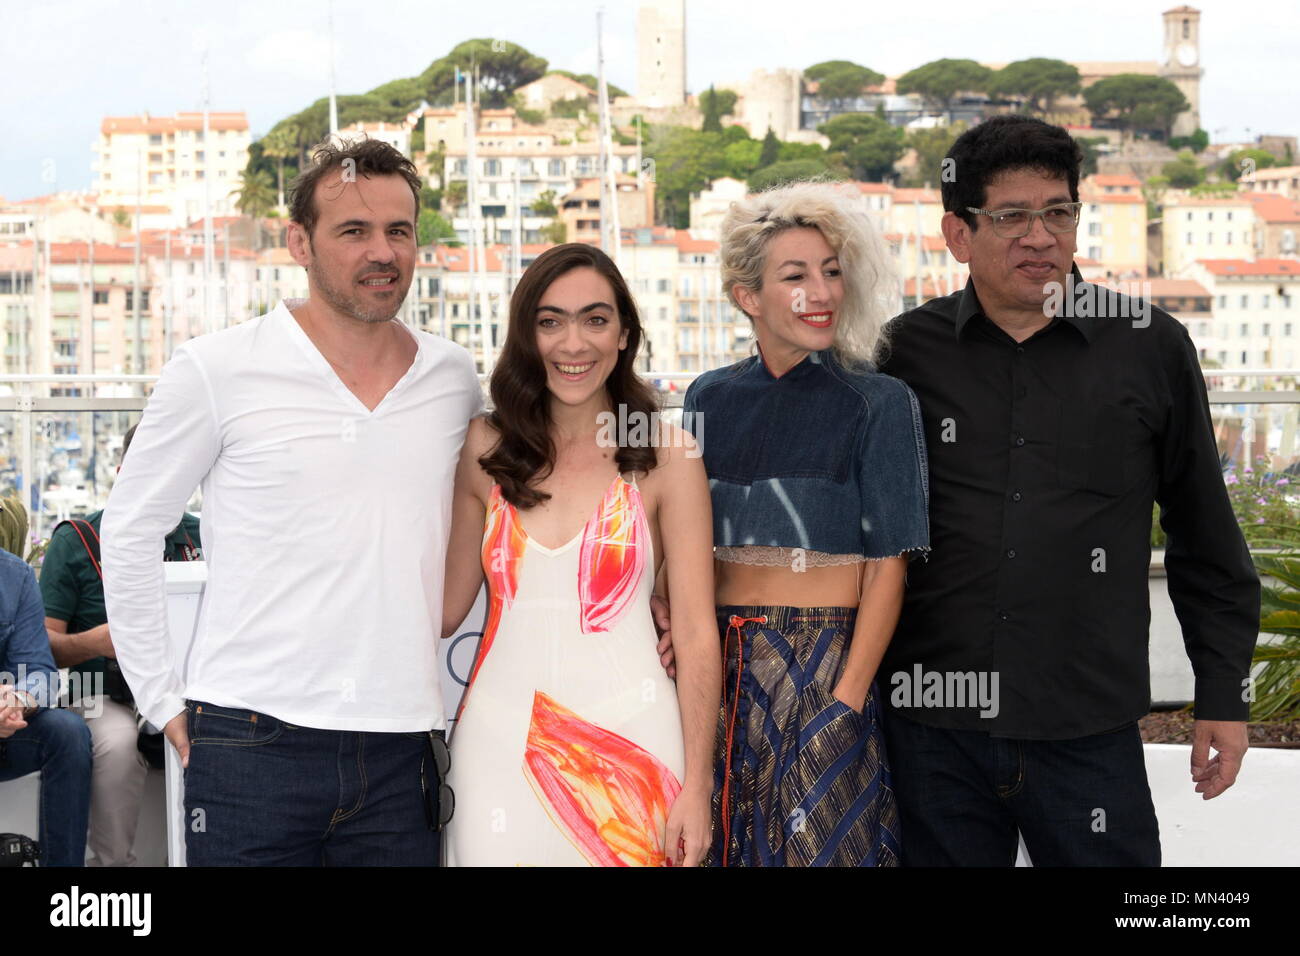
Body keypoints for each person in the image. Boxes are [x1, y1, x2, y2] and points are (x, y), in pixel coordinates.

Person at [876, 115, 1260, 866]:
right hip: (931, 729)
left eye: (1058, 212)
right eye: (1011, 216)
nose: (1040, 236)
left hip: (1089, 729)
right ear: (958, 235)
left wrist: (1223, 694)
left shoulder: (1150, 345)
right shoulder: (900, 354)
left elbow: (1205, 532)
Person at [101, 138, 482, 866]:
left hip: (404, 747)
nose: (383, 252)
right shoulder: (217, 368)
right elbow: (129, 527)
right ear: (299, 243)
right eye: (355, 231)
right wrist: (160, 699)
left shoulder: (452, 377)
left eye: (399, 231)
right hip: (249, 740)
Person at [670, 182, 930, 866]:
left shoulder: (880, 401)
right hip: (720, 670)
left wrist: (845, 702)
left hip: (825, 667)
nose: (821, 292)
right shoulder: (708, 397)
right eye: (796, 276)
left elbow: (889, 566)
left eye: (832, 271)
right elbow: (682, 543)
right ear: (745, 296)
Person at [441, 243, 720, 867]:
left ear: (624, 334)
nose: (574, 343)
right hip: (496, 749)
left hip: (637, 746)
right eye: (550, 321)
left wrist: (698, 785)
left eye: (595, 319)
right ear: (526, 335)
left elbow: (699, 633)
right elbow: (442, 610)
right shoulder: (484, 447)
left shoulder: (670, 455)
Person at [42, 423, 201, 867]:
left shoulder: (201, 537)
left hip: (183, 686)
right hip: (96, 690)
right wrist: (97, 641)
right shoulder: (75, 539)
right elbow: (44, 646)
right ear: (122, 471)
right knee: (113, 741)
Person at [0, 545, 92, 867]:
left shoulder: (15, 575)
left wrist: (17, 702)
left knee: (68, 733)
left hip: (6, 729)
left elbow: (39, 670)